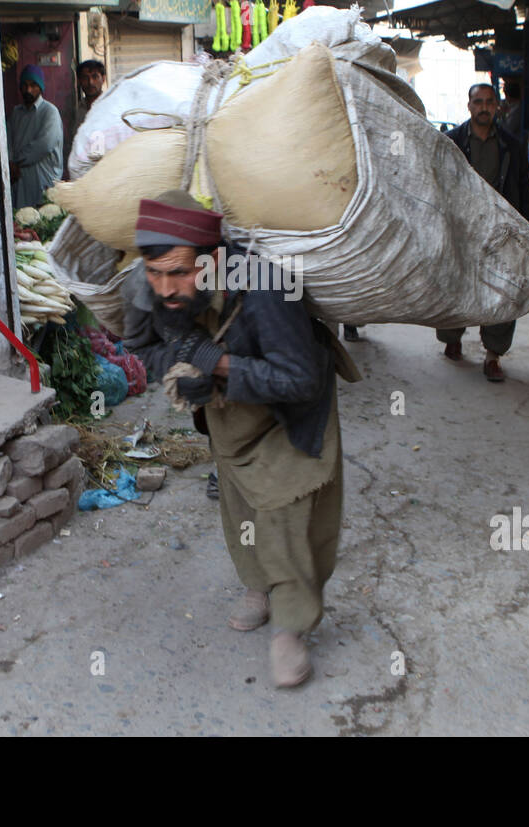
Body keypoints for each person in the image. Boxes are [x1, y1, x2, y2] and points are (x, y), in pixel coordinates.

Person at [122, 190, 357, 688]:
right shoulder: (151, 287)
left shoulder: (266, 287)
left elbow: (300, 379)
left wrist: (217, 363)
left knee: (287, 513)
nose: (166, 286)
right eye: (156, 272)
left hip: (287, 411)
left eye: (179, 272)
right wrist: (181, 369)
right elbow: (141, 346)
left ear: (211, 262)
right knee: (239, 503)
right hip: (228, 417)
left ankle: (291, 626)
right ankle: (258, 588)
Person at [438, 82, 529, 382]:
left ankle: (493, 355)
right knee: (456, 286)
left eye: (489, 102)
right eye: (478, 102)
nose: (484, 107)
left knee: (503, 292)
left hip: (501, 231)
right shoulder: (452, 142)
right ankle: (452, 337)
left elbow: (524, 186)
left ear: (498, 107)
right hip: (462, 228)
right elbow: (441, 186)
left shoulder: (512, 145)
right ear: (469, 106)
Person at [7, 64, 63, 210]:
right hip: (20, 180)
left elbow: (44, 145)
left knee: (45, 222)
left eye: (33, 85)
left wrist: (17, 162)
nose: (28, 90)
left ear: (41, 87)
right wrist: (11, 162)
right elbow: (9, 141)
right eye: (24, 85)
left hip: (43, 180)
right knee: (21, 221)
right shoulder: (16, 113)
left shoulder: (50, 112)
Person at [62, 59, 107, 177]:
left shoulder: (111, 107)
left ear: (103, 78)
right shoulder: (78, 110)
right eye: (85, 78)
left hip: (107, 171)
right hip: (84, 174)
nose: (90, 82)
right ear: (79, 81)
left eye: (95, 76)